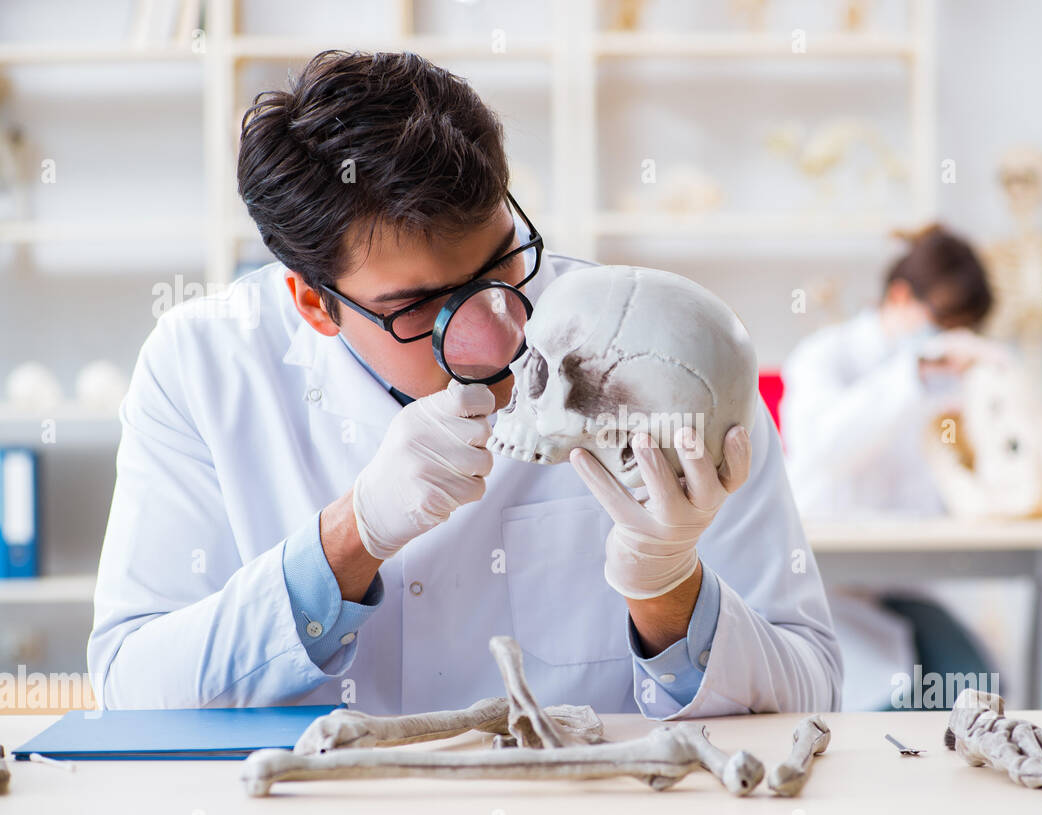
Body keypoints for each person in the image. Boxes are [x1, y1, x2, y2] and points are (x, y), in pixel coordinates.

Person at [87, 51, 841, 718]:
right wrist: (351, 535)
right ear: (314, 304)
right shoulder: (203, 364)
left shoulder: (659, 344)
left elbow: (814, 690)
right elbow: (130, 684)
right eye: (416, 307)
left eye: (501, 267)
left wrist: (666, 588)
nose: (494, 336)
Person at [779, 225, 1001, 711]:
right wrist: (913, 375)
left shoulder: (943, 382)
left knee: (980, 686)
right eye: (942, 321)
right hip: (827, 589)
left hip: (903, 583)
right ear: (900, 297)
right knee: (888, 705)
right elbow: (824, 446)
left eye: (962, 329)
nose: (946, 339)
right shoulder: (824, 357)